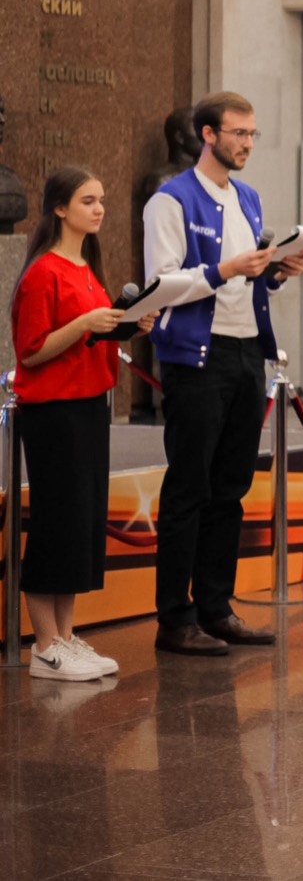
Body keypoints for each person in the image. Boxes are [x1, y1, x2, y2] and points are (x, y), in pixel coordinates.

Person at [143, 91, 303, 657]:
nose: (247, 144)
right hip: (196, 355)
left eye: (252, 134)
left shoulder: (248, 199)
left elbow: (251, 280)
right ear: (209, 135)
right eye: (238, 133)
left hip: (246, 353)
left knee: (231, 489)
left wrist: (279, 272)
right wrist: (224, 269)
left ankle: (216, 607)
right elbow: (163, 284)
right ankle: (175, 618)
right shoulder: (170, 200)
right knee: (189, 487)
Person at [9, 168, 158, 680]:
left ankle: (67, 637)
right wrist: (83, 324)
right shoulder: (43, 273)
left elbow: (92, 342)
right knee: (55, 523)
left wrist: (127, 324)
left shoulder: (85, 268)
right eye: (88, 200)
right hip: (55, 413)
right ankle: (44, 644)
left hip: (90, 405)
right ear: (60, 209)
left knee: (79, 525)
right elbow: (31, 352)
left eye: (101, 200)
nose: (98, 209)